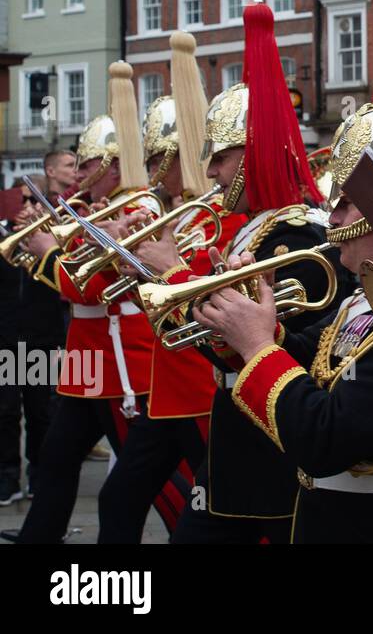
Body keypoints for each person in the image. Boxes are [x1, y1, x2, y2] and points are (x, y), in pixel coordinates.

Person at [194, 0, 373, 543]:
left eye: (348, 203)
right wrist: (260, 329)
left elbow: (325, 438)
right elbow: (325, 356)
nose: (334, 218)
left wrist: (257, 350)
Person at [145, 2, 347, 544]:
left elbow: (278, 344)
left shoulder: (296, 235)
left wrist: (173, 275)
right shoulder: (256, 227)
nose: (209, 171)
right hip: (237, 423)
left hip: (267, 433)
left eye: (221, 157)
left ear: (253, 152)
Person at [6, 64, 163, 543]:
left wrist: (49, 251)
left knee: (143, 474)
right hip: (86, 356)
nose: (81, 170)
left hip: (120, 360)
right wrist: (44, 245)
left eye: (89, 162)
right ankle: (40, 536)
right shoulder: (92, 208)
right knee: (56, 456)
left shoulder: (139, 209)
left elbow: (88, 287)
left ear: (114, 165)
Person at [96, 33, 232, 543]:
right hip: (167, 389)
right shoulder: (173, 214)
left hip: (199, 387)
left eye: (161, 161)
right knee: (119, 498)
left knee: (217, 509)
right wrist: (127, 262)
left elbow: (199, 296)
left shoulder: (213, 216)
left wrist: (151, 265)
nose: (153, 173)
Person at [0, 181, 63, 505]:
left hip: (43, 340)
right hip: (6, 342)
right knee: (6, 412)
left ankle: (39, 475)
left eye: (32, 200)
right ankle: (8, 477)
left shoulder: (52, 237)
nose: (26, 206)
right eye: (21, 200)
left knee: (42, 412)